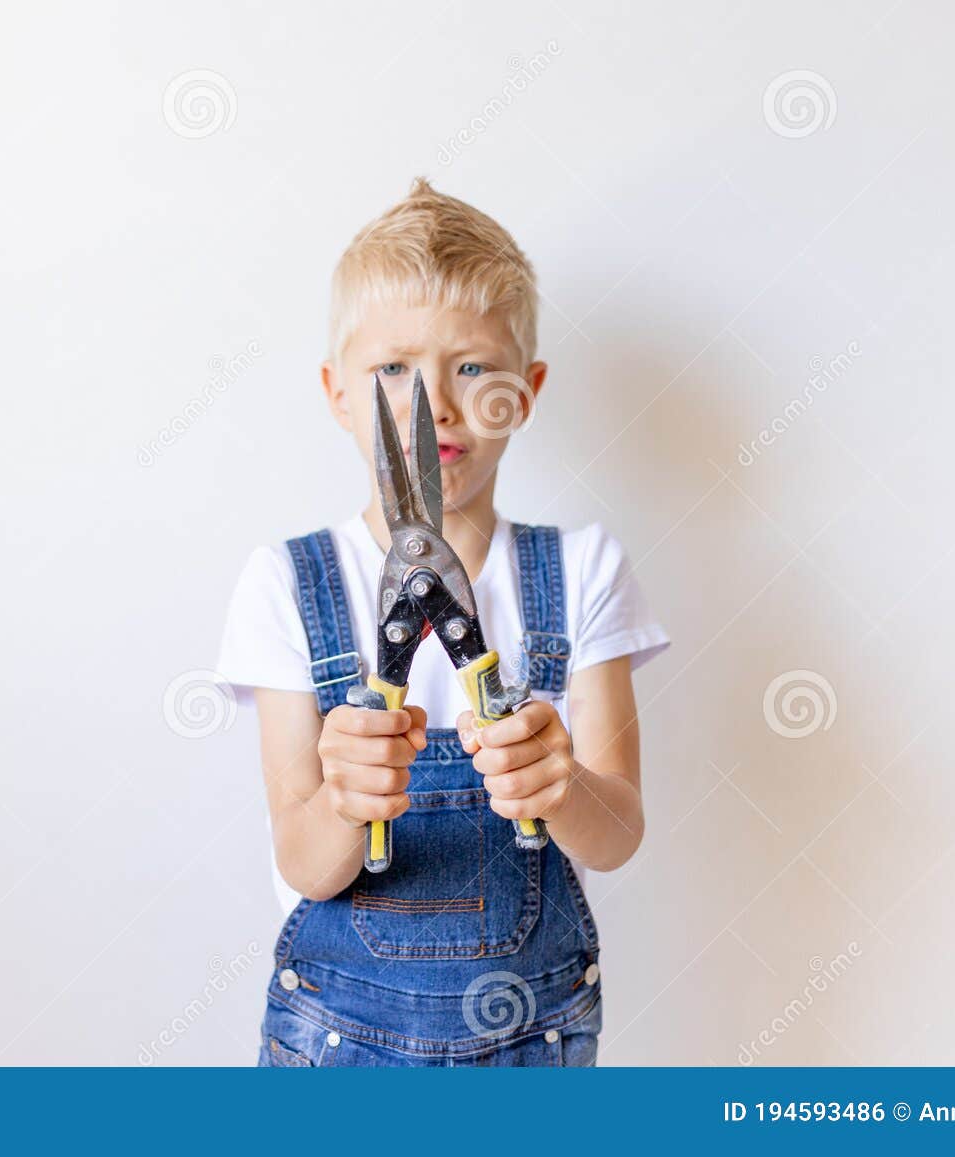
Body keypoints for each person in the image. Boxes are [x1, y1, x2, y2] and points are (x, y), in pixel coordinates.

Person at [217, 178, 670, 1066]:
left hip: (528, 1047)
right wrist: (346, 800)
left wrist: (560, 782)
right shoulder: (285, 583)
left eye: (472, 367)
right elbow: (307, 863)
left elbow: (617, 834)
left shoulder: (582, 571)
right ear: (337, 392)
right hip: (336, 1047)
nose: (435, 406)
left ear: (528, 389)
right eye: (393, 370)